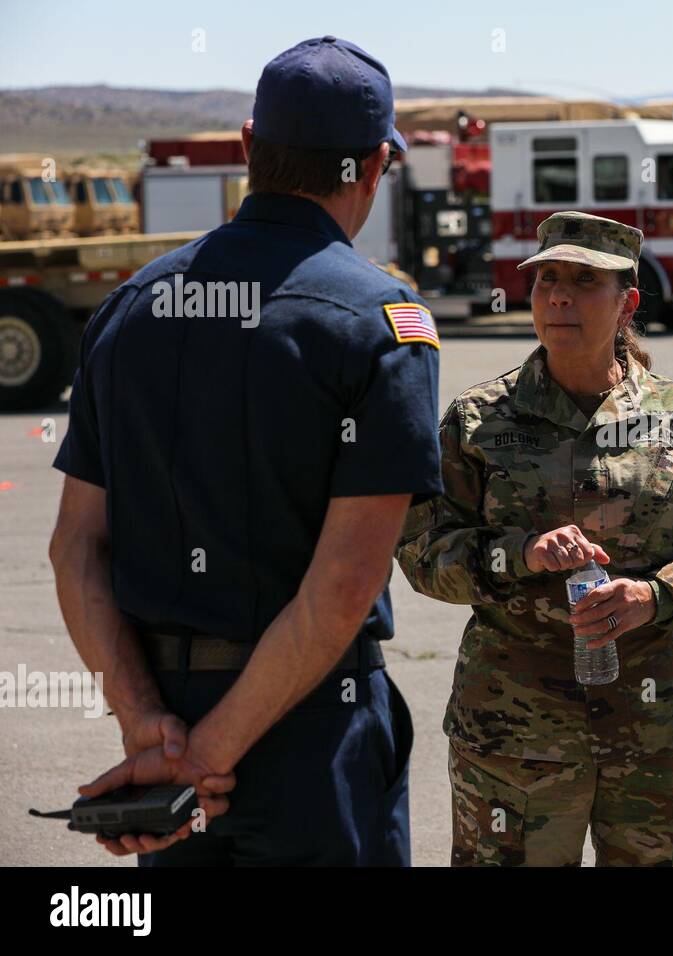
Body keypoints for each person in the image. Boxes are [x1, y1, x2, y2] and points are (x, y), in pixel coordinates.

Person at [48, 36, 441, 865]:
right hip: (311, 726)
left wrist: (149, 725)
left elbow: (75, 546)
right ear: (372, 167)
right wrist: (214, 751)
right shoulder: (382, 323)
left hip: (167, 725)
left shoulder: (129, 309)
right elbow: (340, 589)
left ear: (247, 148)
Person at [396, 211, 673, 866]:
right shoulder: (478, 420)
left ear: (627, 302)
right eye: (546, 281)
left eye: (583, 281)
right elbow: (423, 551)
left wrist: (655, 597)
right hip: (517, 738)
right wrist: (518, 555)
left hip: (659, 732)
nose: (560, 297)